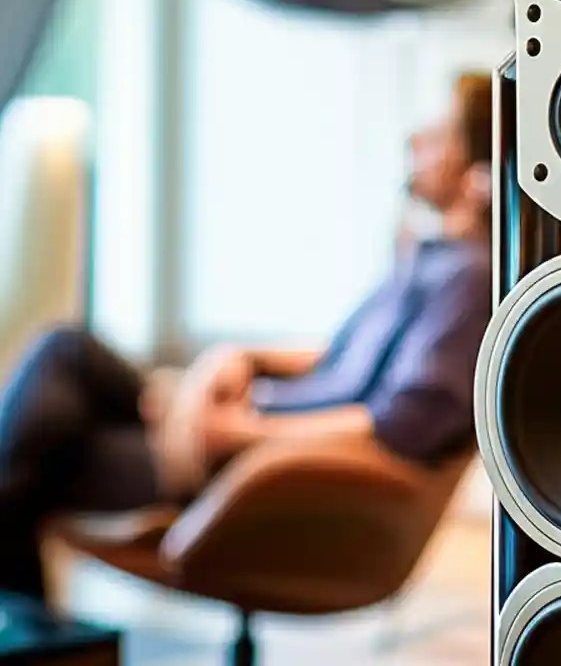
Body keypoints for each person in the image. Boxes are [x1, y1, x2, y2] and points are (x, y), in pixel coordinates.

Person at [0, 73, 494, 601]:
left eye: (438, 137)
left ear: (479, 173)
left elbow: (404, 426)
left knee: (32, 464)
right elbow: (343, 361)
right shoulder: (430, 260)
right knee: (65, 360)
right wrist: (237, 359)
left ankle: (35, 638)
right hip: (253, 429)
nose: (414, 143)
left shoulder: (468, 278)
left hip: (260, 473)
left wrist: (237, 433)